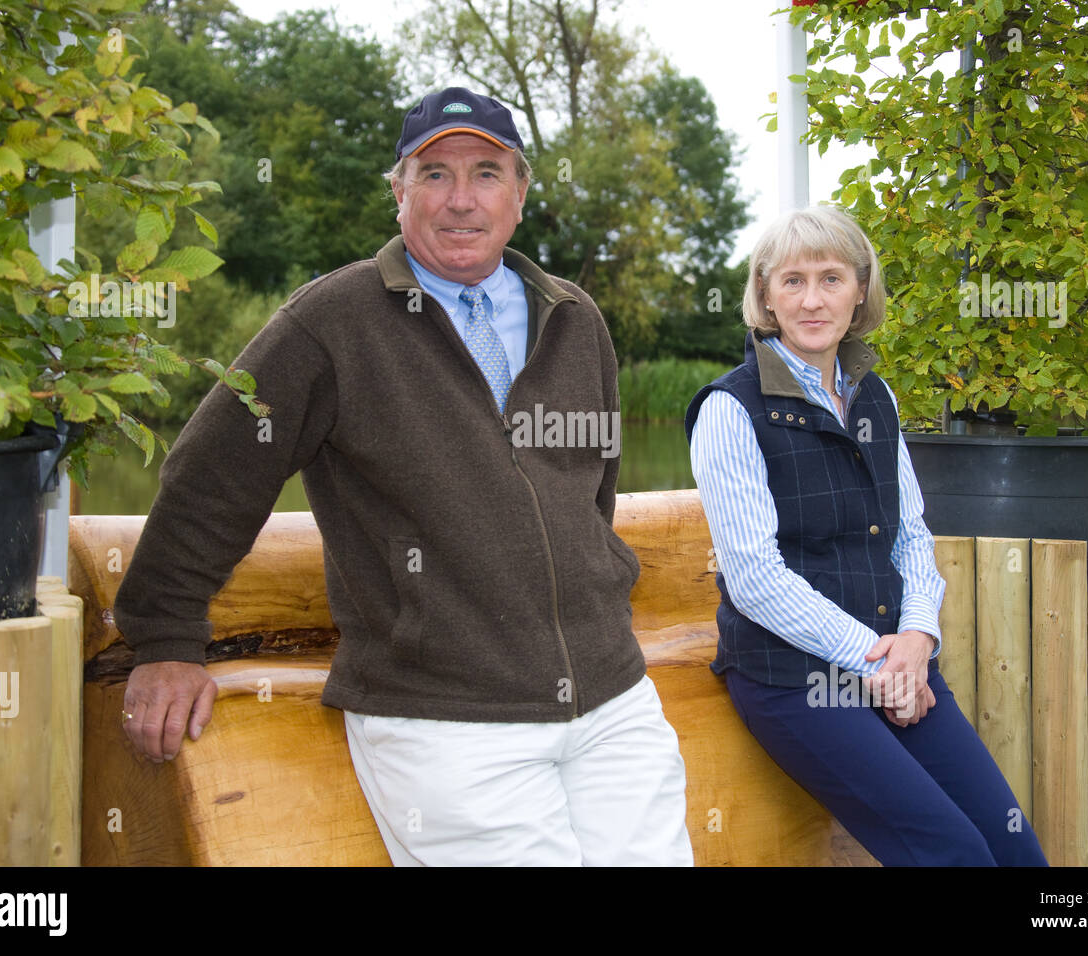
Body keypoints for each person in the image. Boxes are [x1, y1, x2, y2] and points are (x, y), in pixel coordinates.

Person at [115, 87, 693, 866]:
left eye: (486, 173)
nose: (461, 200)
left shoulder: (574, 317)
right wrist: (164, 638)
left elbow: (591, 492)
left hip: (614, 699)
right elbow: (210, 478)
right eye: (433, 175)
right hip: (446, 718)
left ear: (520, 194)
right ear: (399, 193)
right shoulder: (330, 323)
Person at [685, 205, 1047, 866]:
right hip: (792, 680)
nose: (813, 299)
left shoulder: (874, 396)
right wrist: (878, 662)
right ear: (765, 296)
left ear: (860, 290)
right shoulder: (728, 410)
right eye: (792, 281)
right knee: (953, 854)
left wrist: (917, 640)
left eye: (831, 278)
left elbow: (910, 538)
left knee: (1015, 848)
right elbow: (755, 579)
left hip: (894, 662)